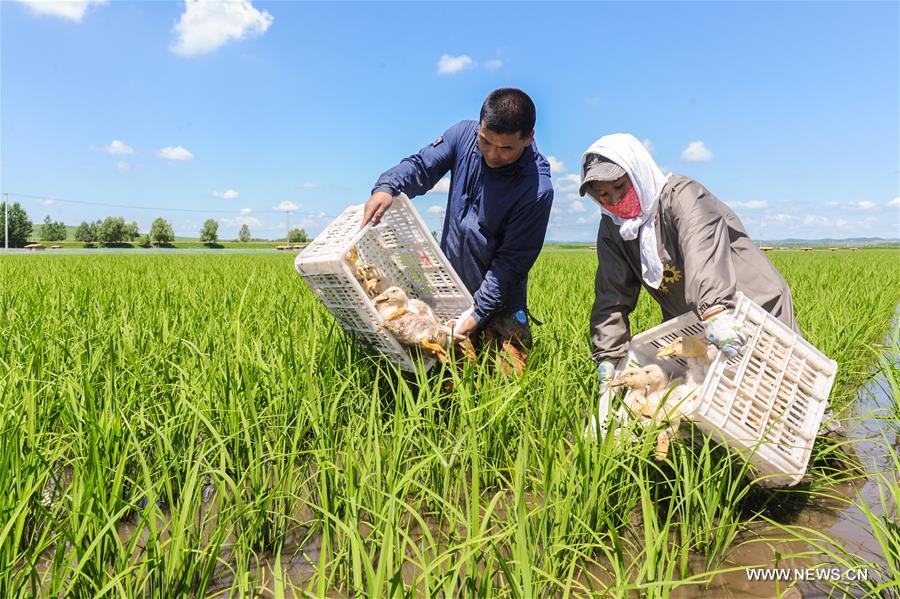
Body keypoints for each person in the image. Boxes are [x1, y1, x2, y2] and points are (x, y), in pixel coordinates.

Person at [581, 133, 799, 434]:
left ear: (638, 172)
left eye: (620, 186)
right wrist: (608, 356)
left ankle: (822, 443)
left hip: (747, 304)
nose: (614, 200)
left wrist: (714, 311)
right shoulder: (614, 227)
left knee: (777, 389)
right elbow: (611, 294)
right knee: (724, 404)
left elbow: (702, 249)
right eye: (602, 195)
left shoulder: (682, 196)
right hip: (697, 318)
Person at [360, 88, 554, 374]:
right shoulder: (463, 136)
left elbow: (510, 265)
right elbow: (421, 167)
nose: (492, 154)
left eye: (505, 148)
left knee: (506, 384)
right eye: (486, 142)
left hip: (500, 300)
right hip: (450, 289)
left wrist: (476, 314)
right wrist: (388, 187)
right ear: (479, 127)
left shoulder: (535, 190)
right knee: (443, 379)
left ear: (528, 138)